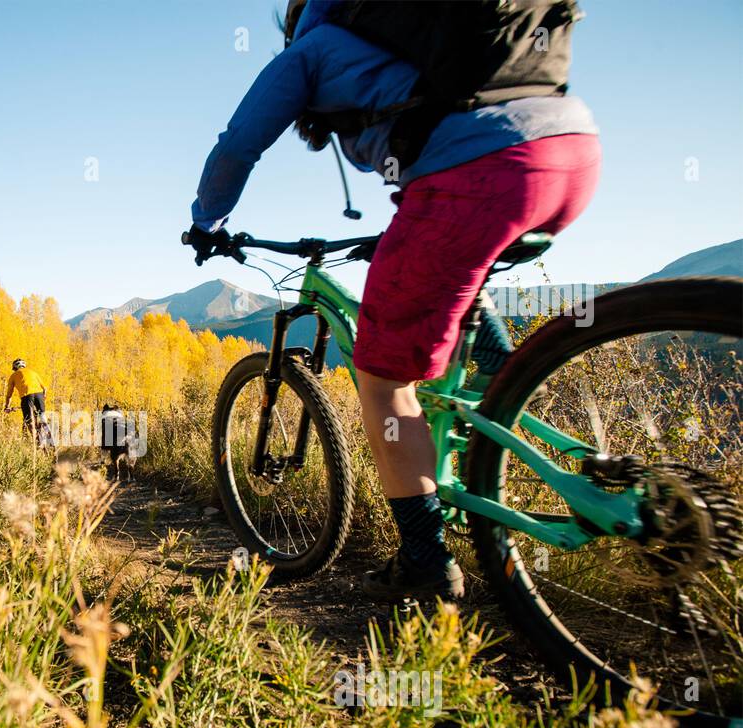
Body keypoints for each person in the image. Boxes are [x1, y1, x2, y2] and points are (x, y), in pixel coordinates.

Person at [185, 0, 600, 600]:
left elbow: (239, 143)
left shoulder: (314, 48)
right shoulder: (421, 40)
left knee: (383, 378)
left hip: (481, 171)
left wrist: (206, 218)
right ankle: (500, 405)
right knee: (458, 291)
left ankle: (427, 566)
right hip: (571, 151)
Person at [4, 358, 49, 441]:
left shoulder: (13, 376)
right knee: (42, 416)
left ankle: (37, 442)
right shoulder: (33, 372)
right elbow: (45, 388)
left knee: (29, 421)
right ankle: (49, 437)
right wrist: (43, 397)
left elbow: (9, 395)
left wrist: (7, 406)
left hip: (27, 396)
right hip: (39, 395)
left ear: (14, 368)